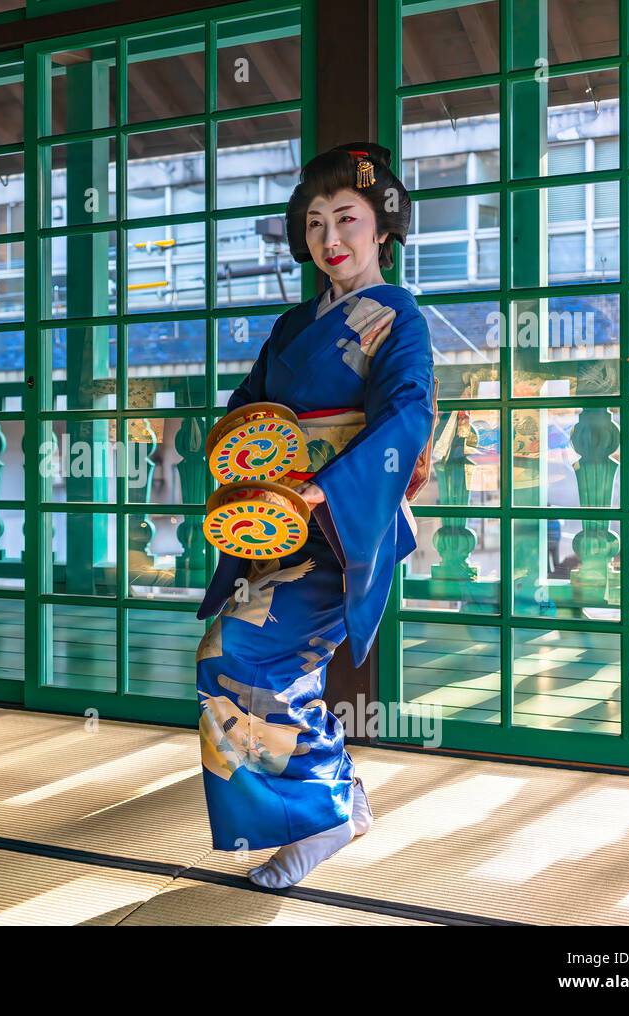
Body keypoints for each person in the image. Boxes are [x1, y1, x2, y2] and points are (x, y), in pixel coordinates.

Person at [195, 142, 434, 888]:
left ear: (382, 229)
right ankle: (336, 797)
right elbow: (247, 411)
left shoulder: (399, 317)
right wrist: (247, 465)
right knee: (243, 660)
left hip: (337, 527)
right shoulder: (296, 324)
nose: (331, 239)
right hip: (280, 523)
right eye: (316, 223)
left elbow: (405, 416)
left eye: (348, 220)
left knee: (240, 654)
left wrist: (326, 487)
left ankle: (325, 813)